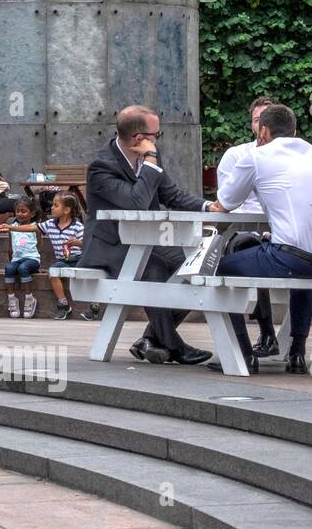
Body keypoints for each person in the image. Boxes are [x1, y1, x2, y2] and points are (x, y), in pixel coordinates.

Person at [212, 104, 312, 375]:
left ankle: (242, 353)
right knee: (304, 265)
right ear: (294, 131)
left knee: (220, 267)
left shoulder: (256, 156)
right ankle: (297, 353)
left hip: (291, 257)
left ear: (262, 131)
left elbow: (225, 202)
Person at [80, 104, 213, 366]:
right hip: (111, 245)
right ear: (139, 138)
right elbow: (136, 203)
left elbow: (170, 194)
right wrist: (150, 161)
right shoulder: (101, 166)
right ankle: (175, 347)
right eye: (156, 135)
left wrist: (208, 206)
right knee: (153, 271)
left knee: (195, 267)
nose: (158, 140)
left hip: (147, 241)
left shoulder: (151, 158)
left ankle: (151, 340)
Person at [213, 96, 280, 359]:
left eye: (266, 120)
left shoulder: (297, 157)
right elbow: (226, 203)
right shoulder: (238, 155)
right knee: (247, 245)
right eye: (256, 120)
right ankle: (262, 336)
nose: (261, 126)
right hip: (245, 231)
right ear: (253, 125)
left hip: (283, 236)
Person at [38, 193, 91, 320]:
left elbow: (89, 246)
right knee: (53, 271)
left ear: (66, 210)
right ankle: (64, 305)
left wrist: (78, 243)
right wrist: (11, 227)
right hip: (63, 261)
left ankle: (94, 306)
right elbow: (32, 227)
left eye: (56, 205)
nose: (52, 207)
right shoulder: (50, 224)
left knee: (89, 273)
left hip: (79, 258)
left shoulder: (78, 227)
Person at [0, 198, 43, 318]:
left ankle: (29, 298)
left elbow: (39, 246)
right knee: (9, 268)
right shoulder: (12, 227)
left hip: (32, 259)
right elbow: (10, 247)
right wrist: (11, 260)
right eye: (17, 211)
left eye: (23, 211)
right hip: (17, 259)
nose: (20, 214)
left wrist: (38, 262)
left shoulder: (35, 227)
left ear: (32, 213)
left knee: (23, 268)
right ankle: (11, 298)